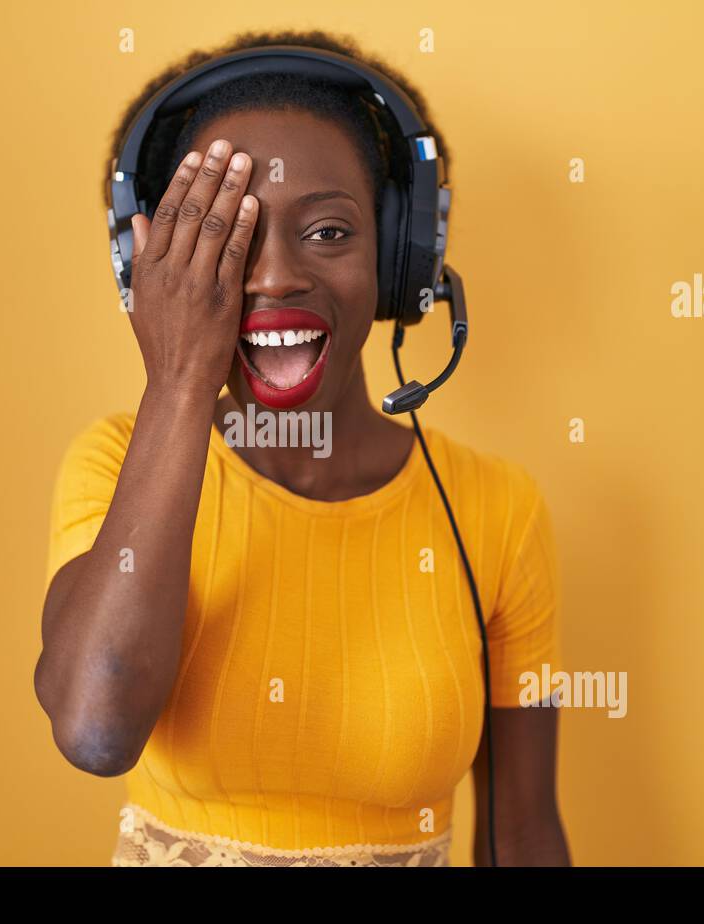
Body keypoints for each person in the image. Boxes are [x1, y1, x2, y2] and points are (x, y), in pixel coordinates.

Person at [35, 29, 569, 866]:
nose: (275, 275)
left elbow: (525, 832)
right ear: (154, 267)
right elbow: (96, 729)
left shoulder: (497, 509)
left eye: (327, 232)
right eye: (226, 237)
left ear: (403, 257)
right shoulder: (110, 463)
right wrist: (179, 384)